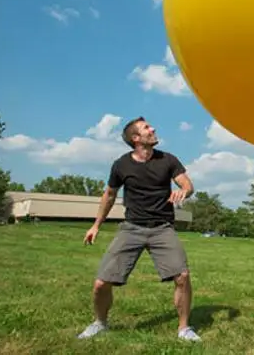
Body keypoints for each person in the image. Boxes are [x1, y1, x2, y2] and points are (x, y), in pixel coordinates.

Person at [76, 116, 200, 343]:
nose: (153, 128)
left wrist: (184, 191)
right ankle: (100, 323)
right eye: (146, 128)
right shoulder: (121, 165)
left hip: (162, 228)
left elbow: (187, 184)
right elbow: (110, 195)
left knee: (182, 276)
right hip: (131, 228)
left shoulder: (168, 159)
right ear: (136, 139)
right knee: (101, 283)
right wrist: (96, 226)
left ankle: (184, 329)